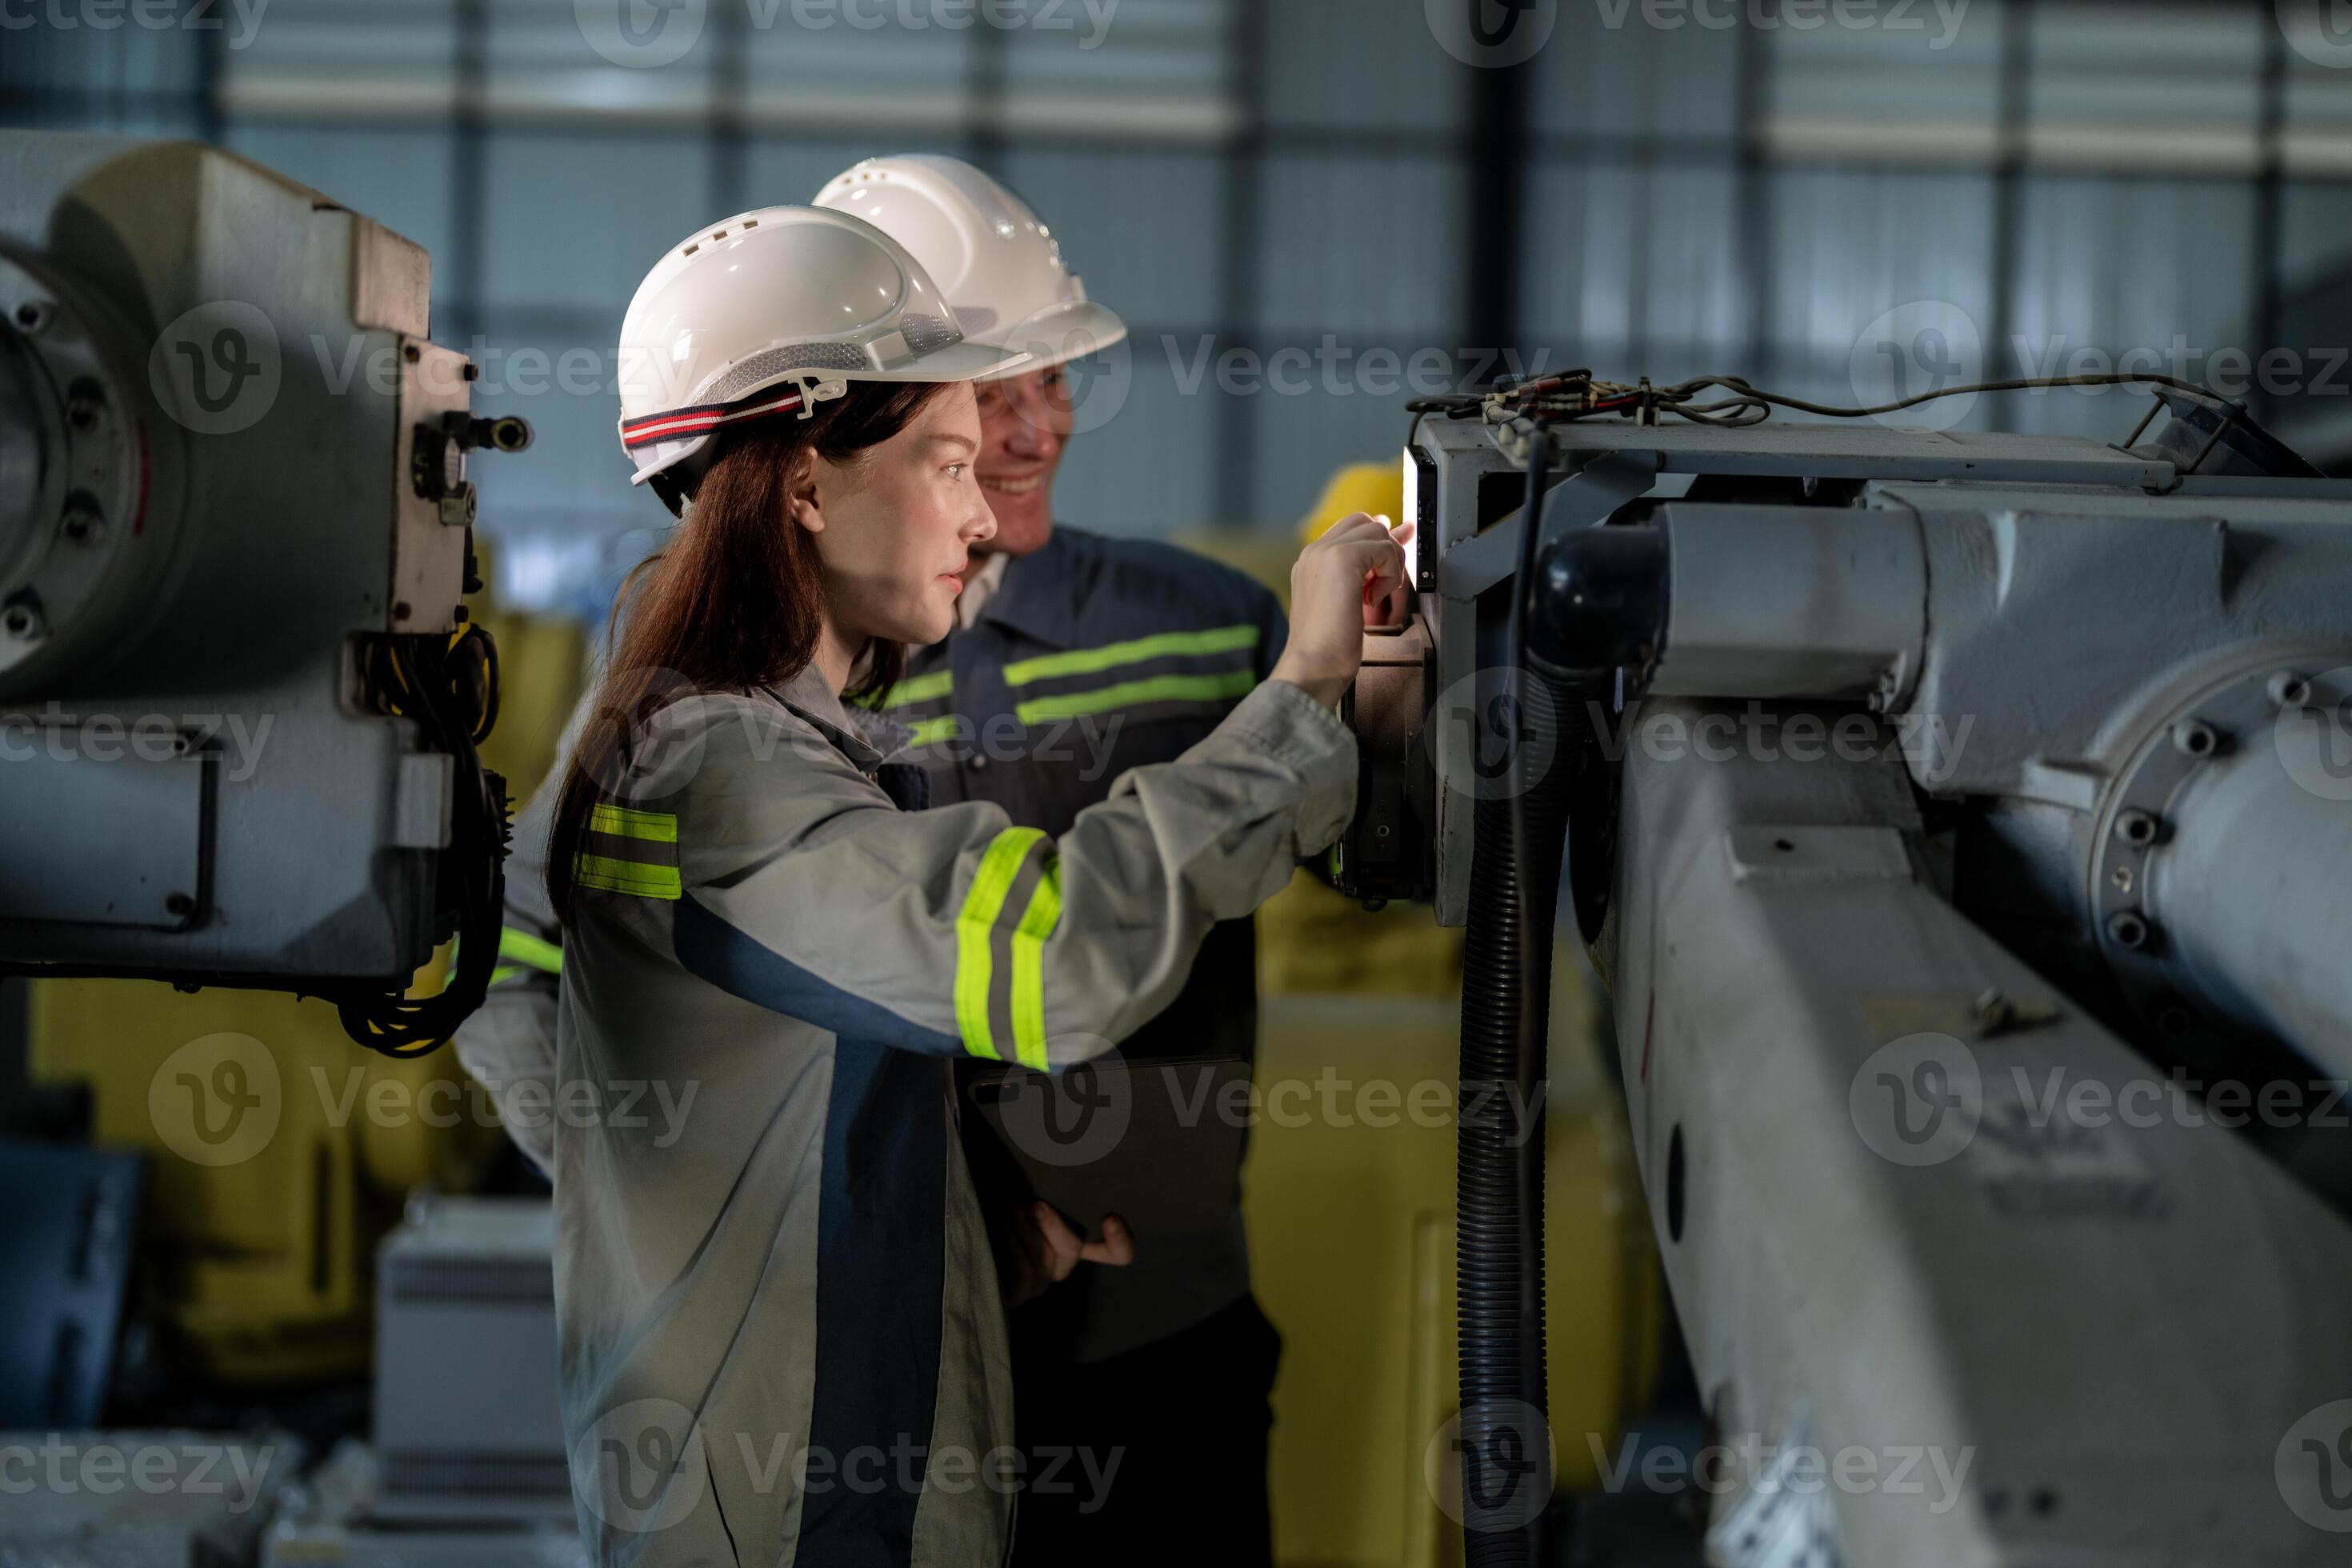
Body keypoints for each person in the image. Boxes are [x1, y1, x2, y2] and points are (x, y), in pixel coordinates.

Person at [456, 155, 1337, 1563]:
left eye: (1048, 386)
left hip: (1073, 1338)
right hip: (826, 1441)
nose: (1009, 467)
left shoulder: (789, 712)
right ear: (812, 477)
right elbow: (1049, 960)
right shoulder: (724, 758)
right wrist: (668, 1201)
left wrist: (950, 1223)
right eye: (957, 442)